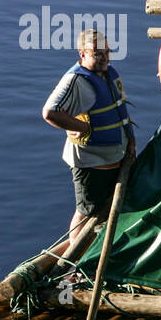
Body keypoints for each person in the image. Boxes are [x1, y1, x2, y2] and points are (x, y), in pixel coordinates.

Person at [42, 30, 136, 249]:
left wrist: (130, 139)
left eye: (106, 51)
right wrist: (81, 127)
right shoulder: (75, 80)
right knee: (86, 213)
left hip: (116, 157)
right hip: (90, 162)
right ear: (82, 54)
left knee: (106, 211)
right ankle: (77, 263)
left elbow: (120, 110)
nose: (104, 57)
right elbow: (50, 112)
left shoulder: (110, 74)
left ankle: (97, 252)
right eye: (97, 53)